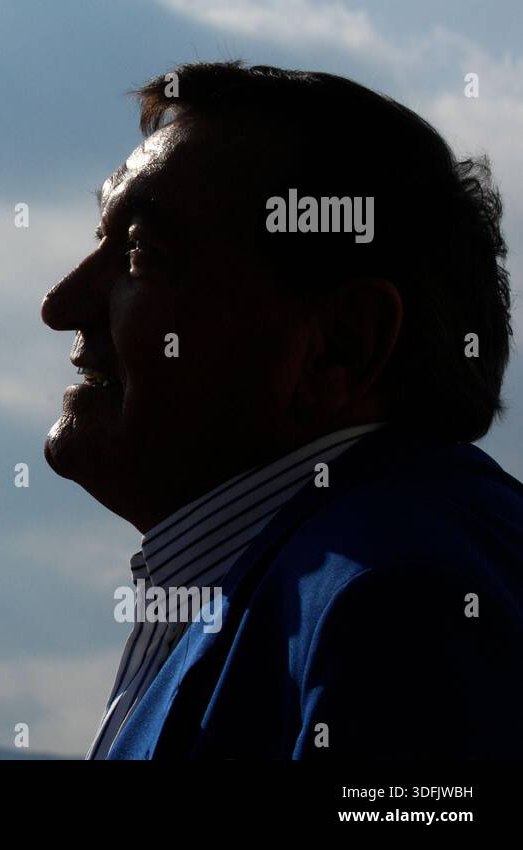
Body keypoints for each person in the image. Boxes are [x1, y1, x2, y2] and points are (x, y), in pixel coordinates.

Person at [40, 61, 523, 759]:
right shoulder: (329, 583)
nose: (61, 306)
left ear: (339, 347)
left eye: (142, 253)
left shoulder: (399, 604)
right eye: (101, 243)